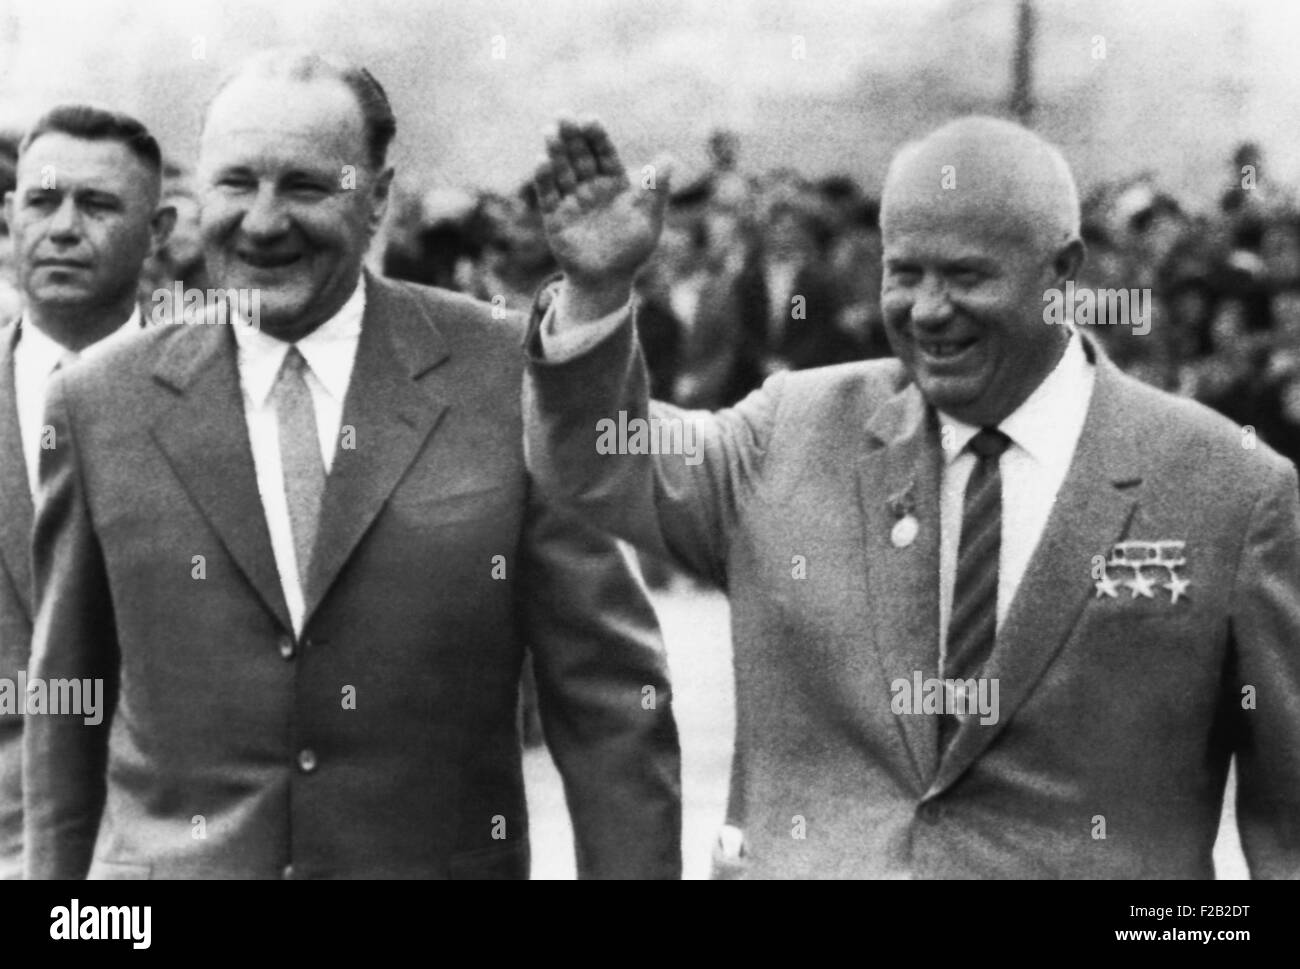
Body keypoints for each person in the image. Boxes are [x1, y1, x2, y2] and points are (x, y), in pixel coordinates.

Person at [524, 114, 1300, 878]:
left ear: (1063, 273)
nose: (928, 310)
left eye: (966, 276)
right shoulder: (787, 433)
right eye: (905, 274)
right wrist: (596, 293)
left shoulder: (1230, 490)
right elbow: (600, 459)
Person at [23, 51, 680, 880]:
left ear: (376, 198)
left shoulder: (506, 375)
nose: (263, 223)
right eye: (235, 184)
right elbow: (65, 714)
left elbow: (611, 704)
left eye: (303, 186)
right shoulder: (97, 404)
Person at [0, 104, 175, 879]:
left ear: (160, 230)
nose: (63, 227)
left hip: (167, 851)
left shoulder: (225, 401)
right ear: (9, 217)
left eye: (99, 204)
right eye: (41, 201)